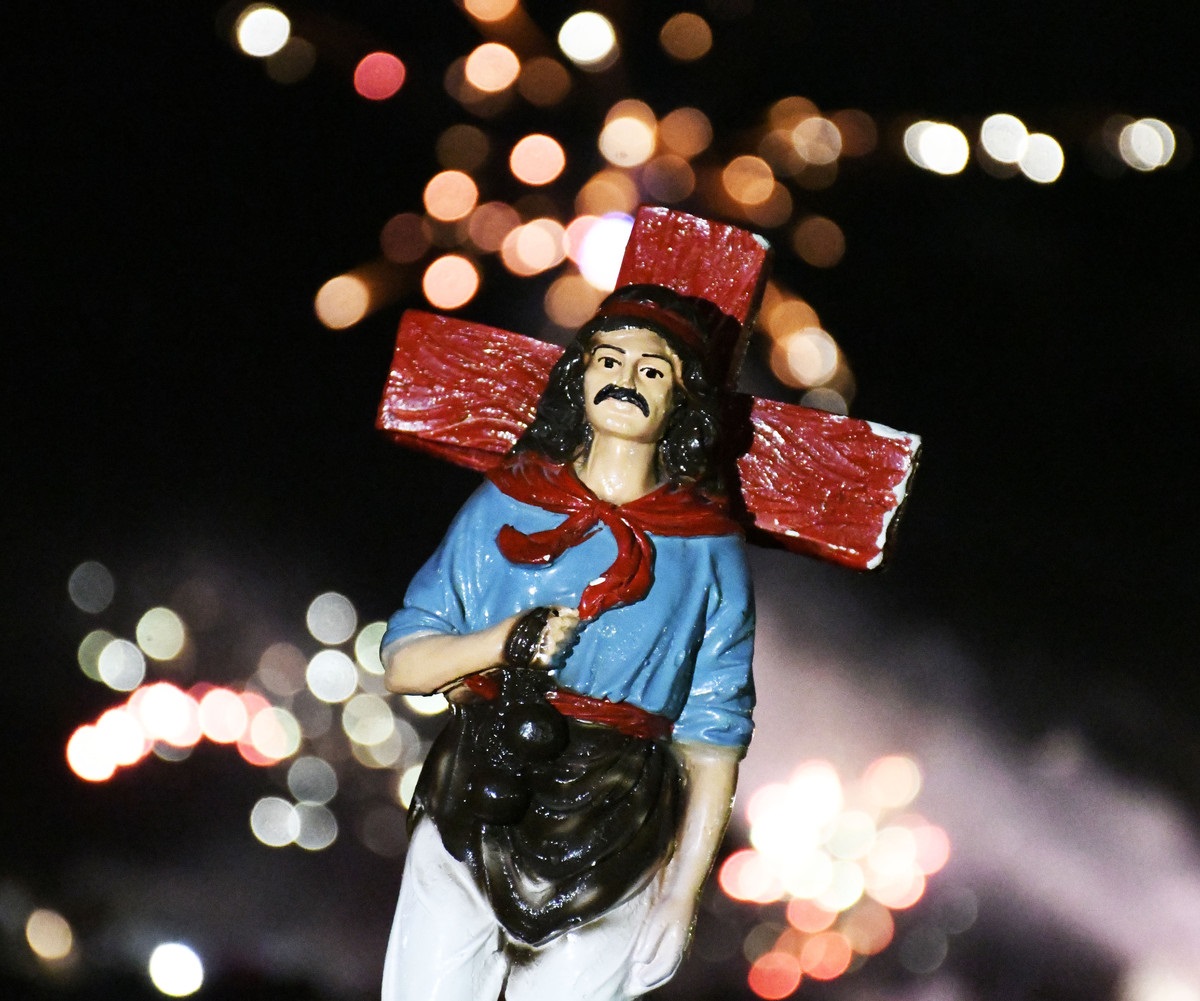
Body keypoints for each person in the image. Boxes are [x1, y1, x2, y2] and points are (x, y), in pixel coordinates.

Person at [379, 283, 755, 1001]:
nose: (625, 379)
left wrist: (681, 893)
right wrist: (501, 643)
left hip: (617, 820)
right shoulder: (509, 503)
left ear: (683, 400)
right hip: (476, 790)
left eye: (652, 370)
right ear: (578, 376)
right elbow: (405, 659)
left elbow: (713, 737)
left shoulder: (708, 549)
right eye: (608, 361)